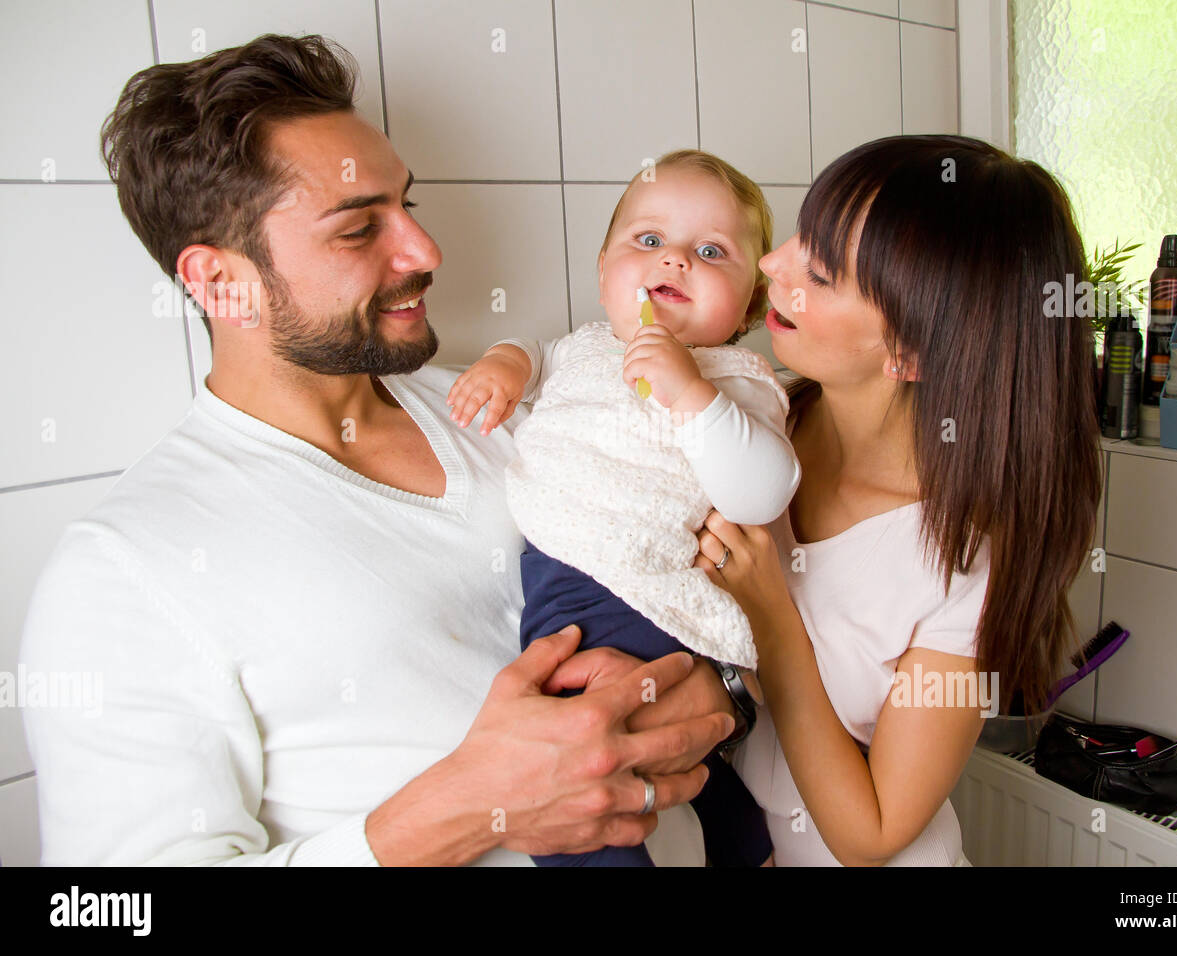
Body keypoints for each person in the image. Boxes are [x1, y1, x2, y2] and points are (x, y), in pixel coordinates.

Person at [18, 34, 739, 866]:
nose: (425, 253)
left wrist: (720, 695)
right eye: (361, 230)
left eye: (409, 207)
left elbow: (718, 609)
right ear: (221, 282)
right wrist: (470, 812)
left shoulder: (520, 410)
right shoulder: (124, 571)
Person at [691, 136, 1103, 866]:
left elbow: (871, 834)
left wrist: (775, 621)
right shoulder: (751, 422)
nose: (770, 264)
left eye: (817, 271)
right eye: (799, 237)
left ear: (910, 354)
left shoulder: (960, 557)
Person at [448, 150, 799, 866]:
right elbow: (533, 351)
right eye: (648, 241)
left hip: (663, 598)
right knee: (590, 759)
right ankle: (733, 837)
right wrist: (507, 364)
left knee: (613, 751)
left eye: (710, 251)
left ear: (751, 309)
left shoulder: (742, 378)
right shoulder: (581, 349)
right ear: (605, 269)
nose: (674, 260)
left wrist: (689, 390)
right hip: (567, 579)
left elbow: (762, 489)